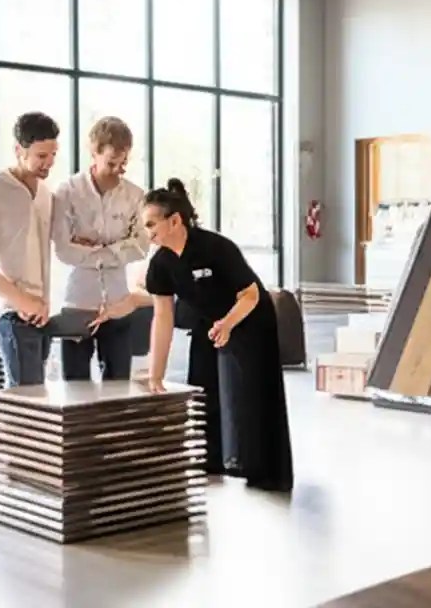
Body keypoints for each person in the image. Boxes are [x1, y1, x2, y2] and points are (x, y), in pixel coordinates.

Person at [92, 179, 294, 492]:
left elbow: (251, 295)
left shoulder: (216, 248)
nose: (148, 232)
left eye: (151, 224)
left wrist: (227, 324)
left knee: (252, 394)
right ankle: (211, 461)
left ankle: (263, 470)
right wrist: (156, 377)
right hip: (208, 322)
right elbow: (162, 316)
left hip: (250, 318)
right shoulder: (160, 264)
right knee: (202, 387)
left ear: (175, 221)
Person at [0, 111, 60, 387]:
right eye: (42, 156)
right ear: (19, 150)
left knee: (37, 402)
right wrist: (21, 300)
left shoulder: (46, 193)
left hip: (44, 315)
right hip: (13, 315)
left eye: (53, 154)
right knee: (25, 404)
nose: (49, 163)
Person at [51, 117, 149, 382]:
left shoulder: (136, 196)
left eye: (124, 163)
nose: (119, 170)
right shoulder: (67, 192)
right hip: (77, 304)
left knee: (118, 389)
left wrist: (95, 248)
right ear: (93, 153)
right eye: (111, 163)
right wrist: (117, 248)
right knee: (74, 388)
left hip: (119, 303)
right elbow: (62, 250)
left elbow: (141, 247)